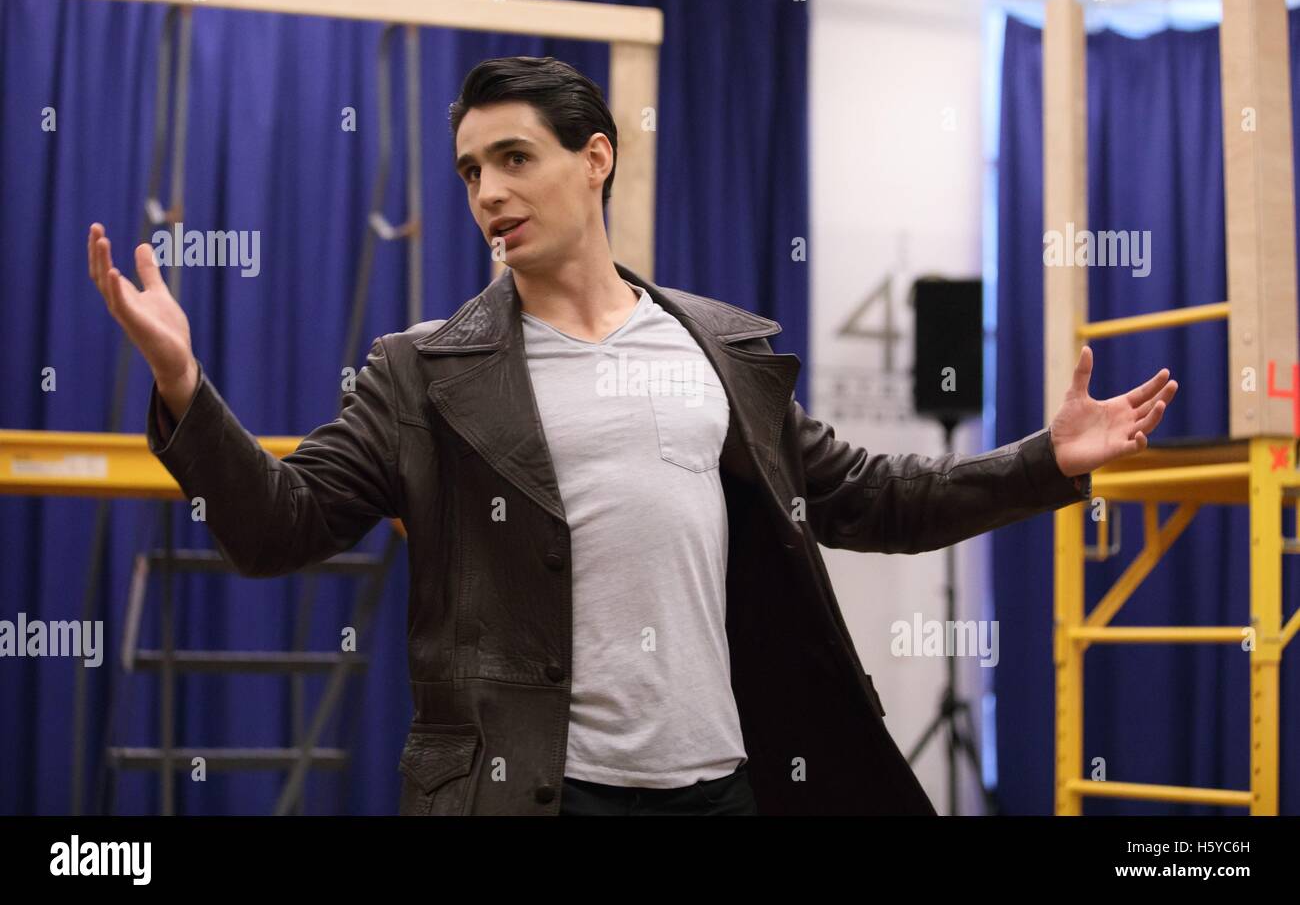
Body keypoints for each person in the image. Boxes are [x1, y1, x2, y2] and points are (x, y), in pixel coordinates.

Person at [86, 56, 1177, 816]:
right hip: (535, 795)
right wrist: (184, 382)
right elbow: (280, 526)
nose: (488, 191)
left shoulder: (717, 349)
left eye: (515, 157)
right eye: (470, 170)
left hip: (721, 785)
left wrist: (1043, 459)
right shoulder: (422, 370)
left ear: (595, 158)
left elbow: (865, 496)